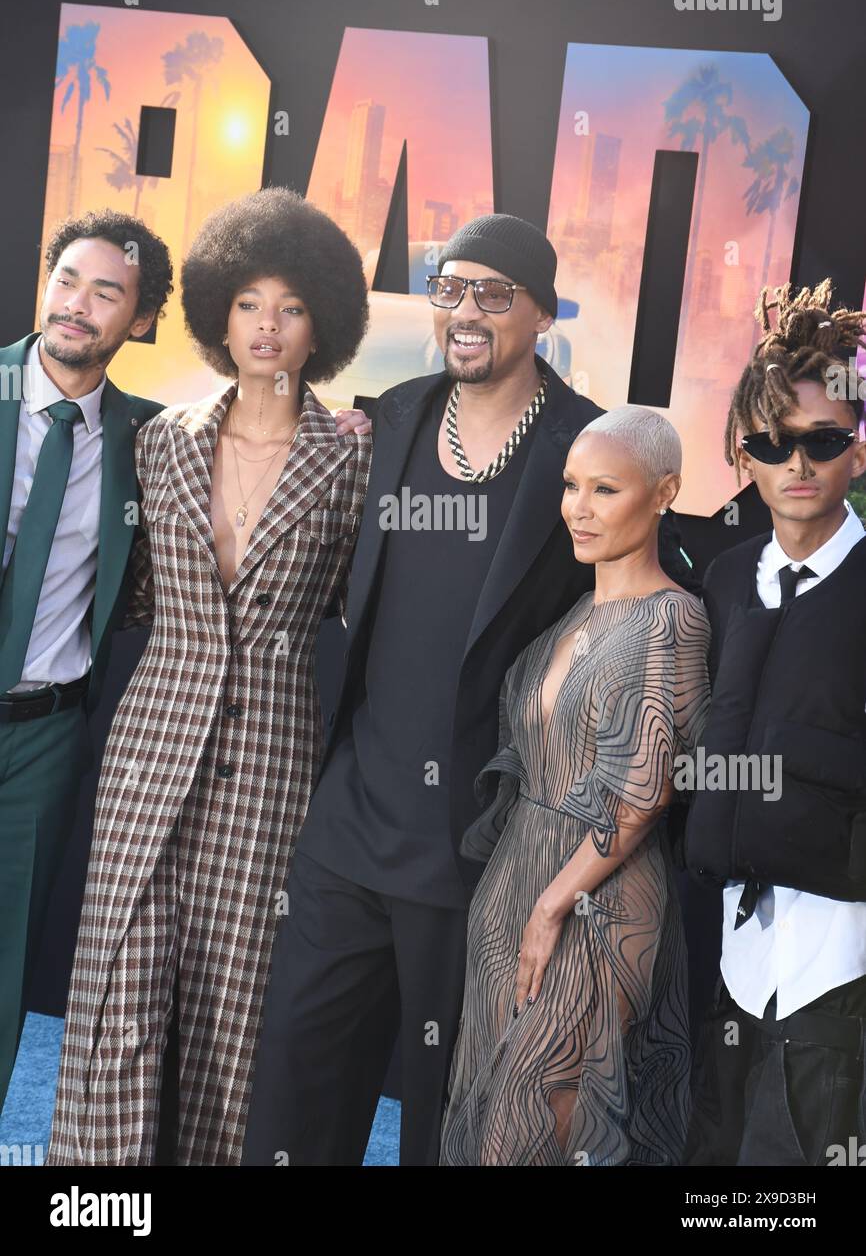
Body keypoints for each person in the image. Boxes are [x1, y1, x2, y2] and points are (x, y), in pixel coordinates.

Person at [242, 214, 695, 1167]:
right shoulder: (389, 416)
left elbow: (640, 613)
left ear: (540, 313)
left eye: (494, 293)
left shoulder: (585, 446)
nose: (467, 311)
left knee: (447, 1127)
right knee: (292, 1098)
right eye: (451, 288)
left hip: (482, 855)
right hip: (351, 830)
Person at [46, 187, 372, 1166]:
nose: (265, 326)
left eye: (291, 307)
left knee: (237, 1015)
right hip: (148, 752)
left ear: (323, 325)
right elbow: (121, 592)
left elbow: (367, 608)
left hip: (273, 765)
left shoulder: (352, 457)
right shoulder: (159, 443)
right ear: (216, 312)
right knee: (117, 1000)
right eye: (247, 304)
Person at [438, 406, 711, 1166]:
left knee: (527, 1134)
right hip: (516, 888)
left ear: (664, 494)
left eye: (605, 490)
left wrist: (552, 907)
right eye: (570, 486)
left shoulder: (674, 621)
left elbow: (643, 792)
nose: (578, 509)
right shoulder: (577, 613)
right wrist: (522, 905)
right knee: (488, 1109)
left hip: (597, 906)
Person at [684, 282, 866, 1166]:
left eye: (822, 442)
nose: (797, 465)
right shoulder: (723, 581)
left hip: (839, 969)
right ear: (744, 457)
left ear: (858, 453)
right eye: (771, 444)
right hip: (724, 959)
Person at [0, 209, 172, 1115]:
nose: (78, 304)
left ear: (138, 322)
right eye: (69, 278)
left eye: (108, 292)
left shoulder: (151, 441)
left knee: (5, 958)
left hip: (43, 736)